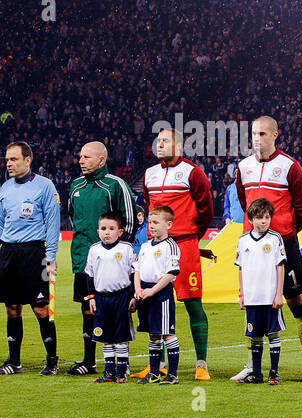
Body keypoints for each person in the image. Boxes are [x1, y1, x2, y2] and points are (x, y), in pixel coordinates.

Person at [232, 116, 302, 383]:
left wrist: (285, 234)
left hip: (282, 245)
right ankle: (252, 364)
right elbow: (244, 200)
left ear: (275, 135)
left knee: (296, 303)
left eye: (263, 134)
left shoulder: (290, 166)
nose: (257, 138)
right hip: (252, 246)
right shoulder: (243, 167)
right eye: (254, 134)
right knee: (253, 304)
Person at [142, 126, 213, 380]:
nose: (159, 145)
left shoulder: (192, 173)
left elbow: (206, 208)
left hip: (184, 245)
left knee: (192, 303)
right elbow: (150, 206)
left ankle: (201, 364)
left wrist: (192, 234)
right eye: (157, 141)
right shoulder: (149, 174)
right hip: (156, 247)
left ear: (179, 146)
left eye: (165, 141)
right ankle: (157, 365)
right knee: (155, 302)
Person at [67, 141, 135, 375]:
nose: (81, 161)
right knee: (88, 308)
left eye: (86, 157)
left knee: (115, 309)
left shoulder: (115, 185)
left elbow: (130, 221)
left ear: (101, 160)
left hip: (112, 262)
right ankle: (89, 361)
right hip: (82, 260)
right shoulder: (75, 186)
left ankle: (121, 363)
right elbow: (73, 218)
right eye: (80, 157)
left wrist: (118, 251)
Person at [0, 141, 61, 375]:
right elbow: (1, 221)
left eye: (14, 159)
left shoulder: (45, 187)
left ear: (28, 160)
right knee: (12, 308)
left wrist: (50, 257)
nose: (9, 163)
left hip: (33, 253)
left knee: (41, 308)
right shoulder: (5, 188)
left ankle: (52, 361)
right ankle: (14, 362)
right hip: (8, 253)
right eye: (7, 159)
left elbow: (53, 224)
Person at [234, 198, 287, 385]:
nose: (263, 221)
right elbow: (240, 268)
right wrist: (242, 294)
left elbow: (280, 267)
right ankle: (256, 373)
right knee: (254, 335)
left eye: (266, 217)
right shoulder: (243, 240)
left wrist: (279, 293)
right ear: (250, 219)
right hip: (252, 298)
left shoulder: (275, 239)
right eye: (259, 218)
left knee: (273, 334)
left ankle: (274, 372)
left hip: (270, 296)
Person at [84, 211, 136, 383]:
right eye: (103, 228)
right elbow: (89, 275)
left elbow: (135, 273)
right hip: (101, 299)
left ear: (120, 232)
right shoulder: (94, 250)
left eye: (111, 228)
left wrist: (133, 296)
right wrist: (91, 297)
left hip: (121, 297)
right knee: (105, 336)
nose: (107, 232)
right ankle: (108, 373)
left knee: (120, 336)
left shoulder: (126, 249)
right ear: (98, 231)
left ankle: (121, 372)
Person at [132, 205, 181, 384]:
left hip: (161, 294)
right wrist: (137, 289)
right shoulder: (145, 246)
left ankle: (173, 375)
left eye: (156, 222)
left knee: (167, 333)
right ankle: (154, 372)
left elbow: (171, 273)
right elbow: (136, 269)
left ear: (168, 224)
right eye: (150, 222)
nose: (151, 226)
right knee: (153, 334)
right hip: (144, 292)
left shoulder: (171, 246)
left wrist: (153, 290)